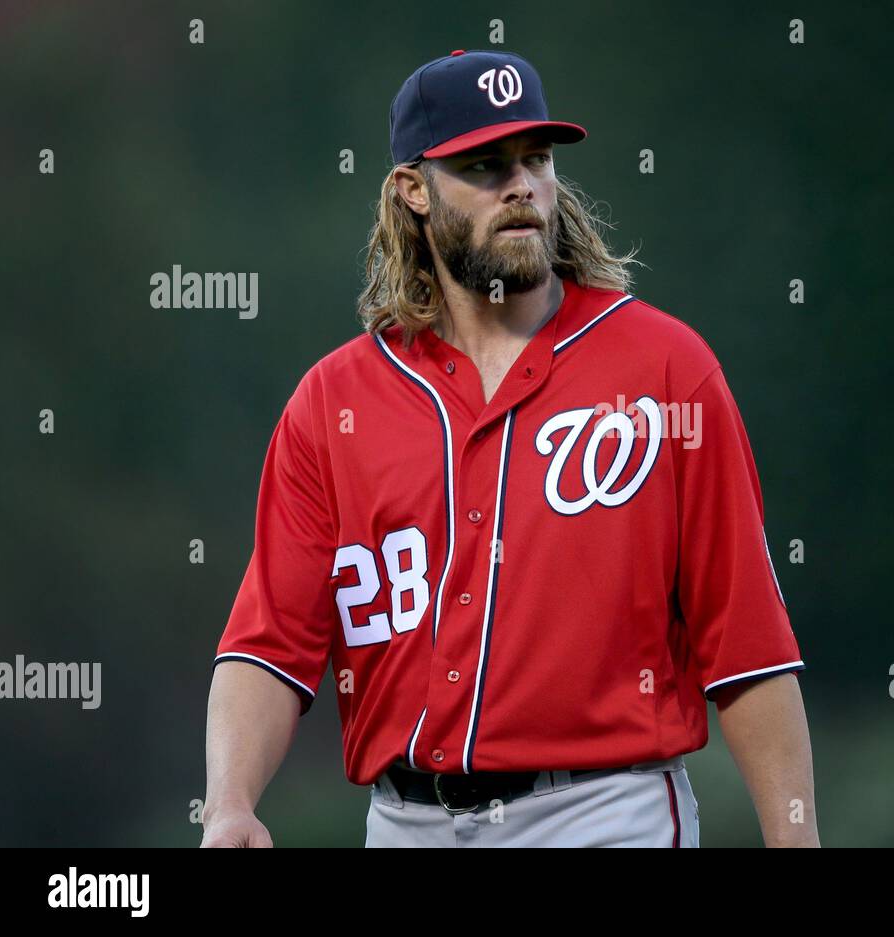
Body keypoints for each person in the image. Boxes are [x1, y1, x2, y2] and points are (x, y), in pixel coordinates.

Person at [201, 49, 817, 848]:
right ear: (412, 190)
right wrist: (229, 802)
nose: (520, 184)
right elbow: (268, 645)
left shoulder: (664, 371)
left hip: (603, 814)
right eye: (484, 166)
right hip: (404, 823)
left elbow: (747, 646)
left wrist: (795, 835)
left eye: (536, 159)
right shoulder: (333, 403)